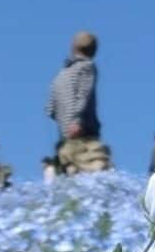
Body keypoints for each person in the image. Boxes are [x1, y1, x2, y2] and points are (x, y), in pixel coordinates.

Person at [44, 31, 110, 174]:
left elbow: (49, 109)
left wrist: (65, 122)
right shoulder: (87, 67)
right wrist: (76, 120)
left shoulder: (61, 74)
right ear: (94, 50)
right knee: (99, 169)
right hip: (83, 131)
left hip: (65, 135)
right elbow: (83, 95)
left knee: (72, 172)